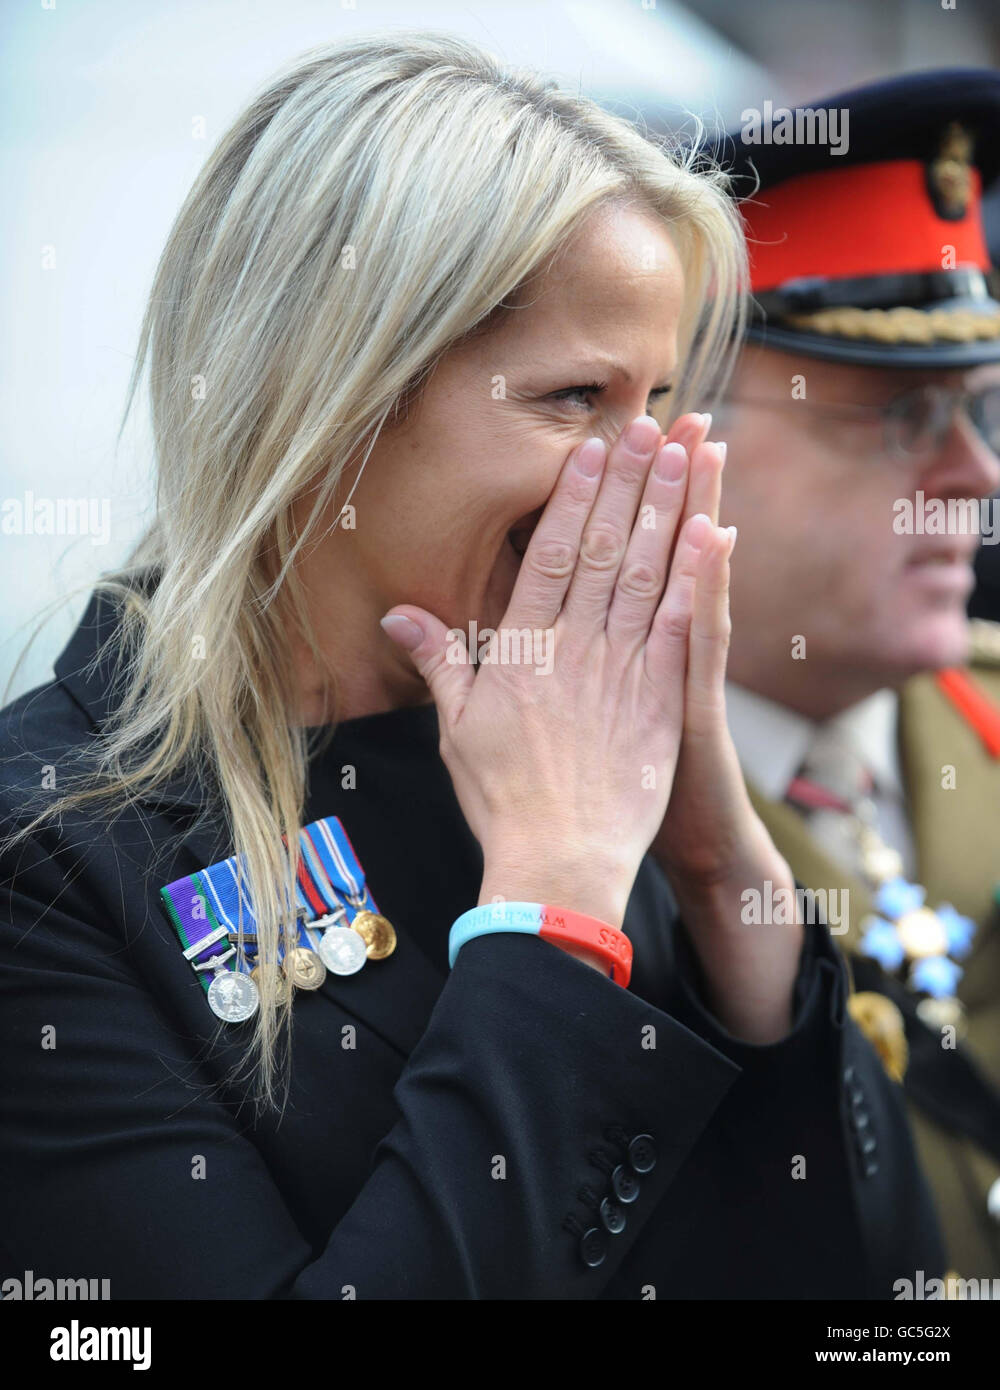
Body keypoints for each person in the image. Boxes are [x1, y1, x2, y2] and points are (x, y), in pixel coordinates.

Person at [0, 31, 941, 1300]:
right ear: (323, 398)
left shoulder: (588, 739)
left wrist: (722, 868)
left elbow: (886, 1294)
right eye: (571, 401)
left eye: (658, 401)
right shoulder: (52, 846)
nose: (640, 470)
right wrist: (550, 911)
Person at [710, 69, 1000, 1280]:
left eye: (979, 408)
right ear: (684, 434)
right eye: (895, 417)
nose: (975, 476)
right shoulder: (582, 814)